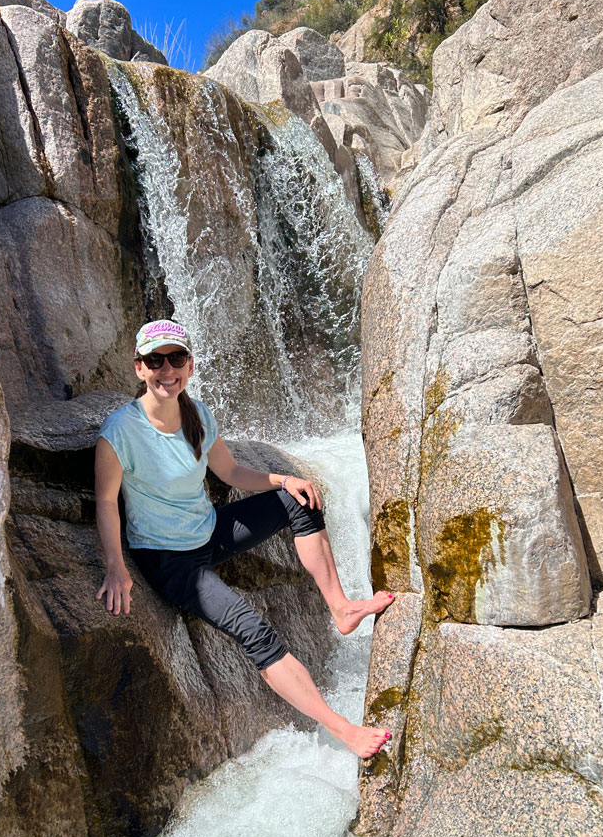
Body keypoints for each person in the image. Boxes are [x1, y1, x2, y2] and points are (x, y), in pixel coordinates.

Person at [94, 319, 393, 759]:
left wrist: (284, 478)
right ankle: (342, 729)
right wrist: (116, 568)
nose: (166, 370)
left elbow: (230, 472)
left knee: (299, 501)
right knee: (255, 629)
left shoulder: (197, 416)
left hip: (208, 531)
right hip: (170, 561)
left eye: (176, 359)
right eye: (155, 361)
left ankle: (342, 608)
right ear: (139, 368)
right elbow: (105, 501)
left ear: (190, 366)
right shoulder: (120, 432)